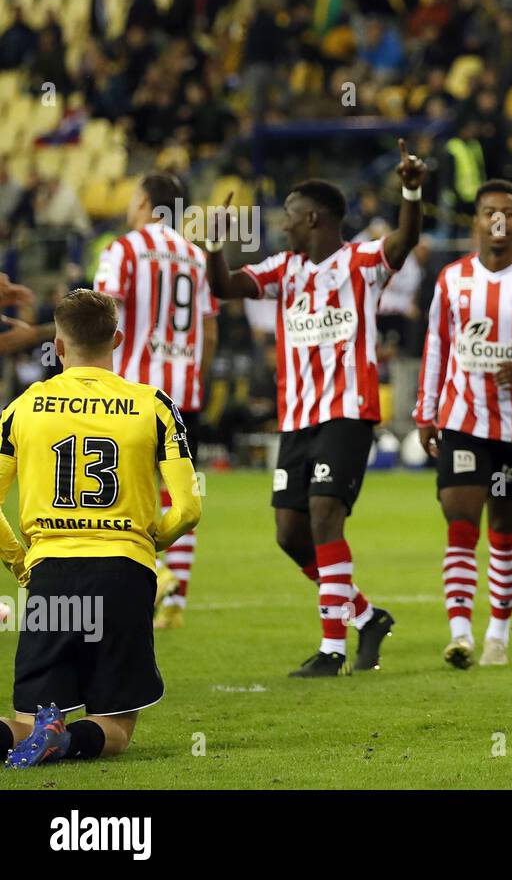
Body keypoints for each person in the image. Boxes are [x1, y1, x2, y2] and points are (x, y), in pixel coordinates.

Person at [204, 141, 427, 676]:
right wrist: (214, 246)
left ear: (312, 218)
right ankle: (367, 616)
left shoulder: (363, 261)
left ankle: (331, 650)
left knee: (326, 517)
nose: (281, 227)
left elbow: (405, 239)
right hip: (297, 418)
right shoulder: (285, 269)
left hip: (347, 413)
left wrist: (411, 191)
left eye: (287, 217)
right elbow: (226, 285)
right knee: (289, 534)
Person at [0, 290, 201, 769]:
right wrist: (148, 540)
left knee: (25, 723)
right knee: (116, 726)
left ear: (58, 345)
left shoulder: (23, 407)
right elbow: (189, 508)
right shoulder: (152, 404)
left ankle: (43, 736)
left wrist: (19, 561)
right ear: (118, 339)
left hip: (50, 573)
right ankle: (65, 743)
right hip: (123, 574)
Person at [413, 180, 512, 668]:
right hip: (462, 420)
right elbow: (437, 346)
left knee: (504, 534)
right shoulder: (452, 279)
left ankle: (497, 635)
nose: (498, 220)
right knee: (461, 525)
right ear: (477, 221)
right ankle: (460, 634)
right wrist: (426, 409)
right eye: (488, 212)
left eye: (507, 212)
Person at [94, 172, 219, 629]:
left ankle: (158, 573)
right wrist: (195, 382)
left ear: (144, 201)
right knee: (177, 496)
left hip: (129, 394)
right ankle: (174, 605)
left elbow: (98, 314)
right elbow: (209, 328)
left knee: (119, 493)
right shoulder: (195, 256)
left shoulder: (122, 249)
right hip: (182, 395)